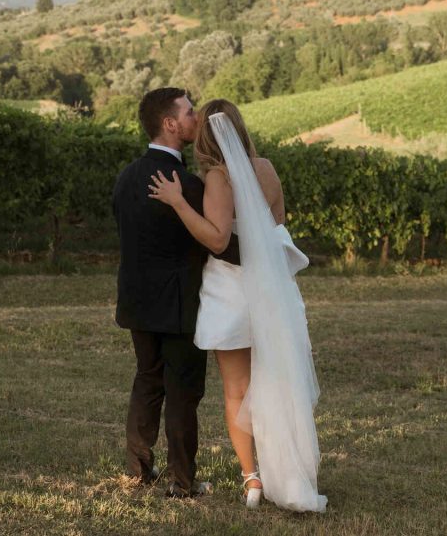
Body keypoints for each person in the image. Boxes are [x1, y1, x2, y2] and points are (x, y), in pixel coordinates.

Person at [148, 99, 327, 512]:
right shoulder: (265, 168)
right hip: (272, 292)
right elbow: (277, 225)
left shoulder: (216, 177)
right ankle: (291, 471)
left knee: (236, 390)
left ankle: (253, 479)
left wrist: (177, 201)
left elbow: (216, 239)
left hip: (231, 293)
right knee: (279, 383)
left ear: (206, 137)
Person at [112, 87, 212, 499]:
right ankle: (182, 482)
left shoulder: (126, 178)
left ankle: (138, 470)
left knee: (147, 381)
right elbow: (211, 242)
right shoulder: (185, 185)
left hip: (137, 299)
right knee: (183, 390)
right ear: (170, 123)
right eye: (189, 113)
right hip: (179, 302)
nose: (195, 119)